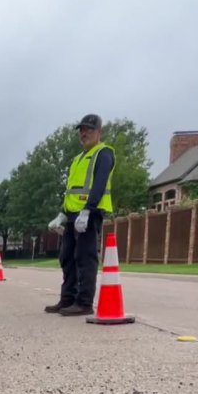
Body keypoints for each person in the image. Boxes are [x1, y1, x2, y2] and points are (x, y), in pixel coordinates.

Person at [45, 114, 116, 317]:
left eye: (89, 130)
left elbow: (100, 184)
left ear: (99, 132)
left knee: (85, 258)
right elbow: (71, 191)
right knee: (67, 257)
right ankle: (67, 299)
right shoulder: (78, 159)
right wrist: (62, 213)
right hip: (71, 215)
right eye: (82, 130)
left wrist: (88, 210)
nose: (84, 134)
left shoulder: (103, 154)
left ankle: (84, 302)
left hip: (89, 214)